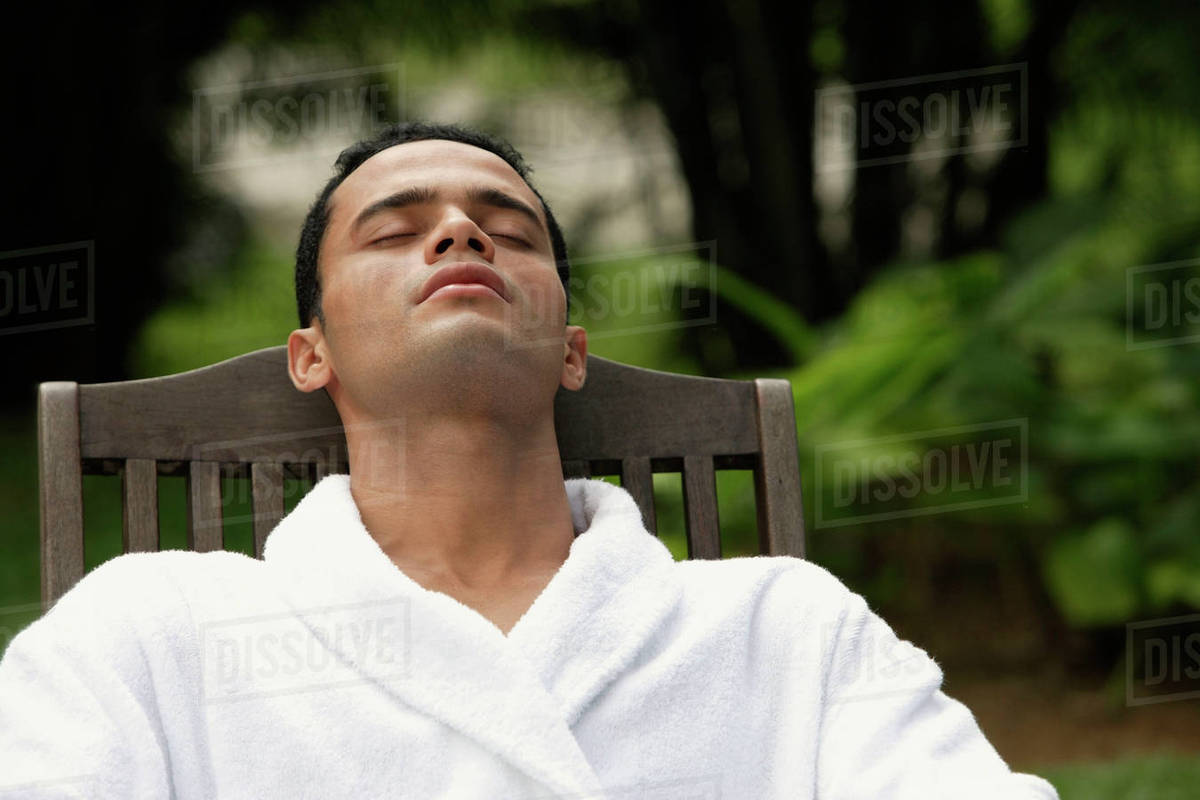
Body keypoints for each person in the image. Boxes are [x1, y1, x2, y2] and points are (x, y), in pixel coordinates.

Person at [0, 121, 1059, 799]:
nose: (461, 230)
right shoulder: (146, 631)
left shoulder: (785, 626)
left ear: (572, 349)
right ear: (309, 354)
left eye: (507, 227)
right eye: (394, 231)